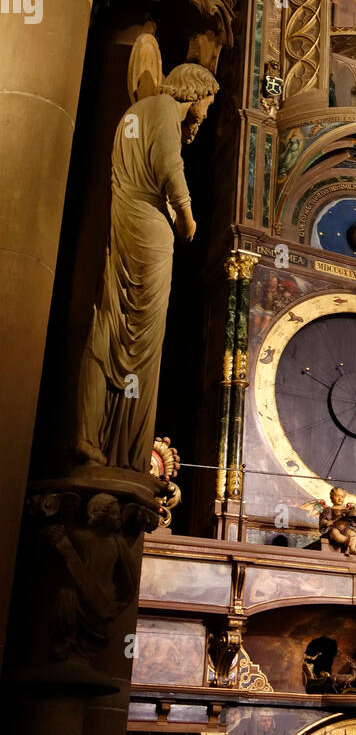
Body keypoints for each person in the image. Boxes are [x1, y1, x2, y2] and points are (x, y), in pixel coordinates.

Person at [74, 64, 218, 472]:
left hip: (125, 220)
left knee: (109, 327)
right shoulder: (164, 109)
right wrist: (187, 215)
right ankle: (126, 451)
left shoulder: (136, 113)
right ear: (198, 90)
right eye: (208, 99)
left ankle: (91, 435)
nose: (206, 110)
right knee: (142, 340)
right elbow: (170, 165)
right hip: (149, 232)